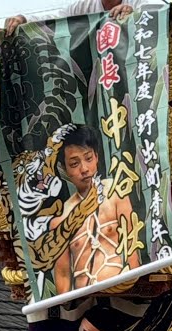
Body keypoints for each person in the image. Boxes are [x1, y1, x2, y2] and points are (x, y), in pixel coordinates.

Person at [47, 125, 140, 295]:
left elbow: (132, 247)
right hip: (85, 300)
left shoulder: (116, 193)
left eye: (88, 158)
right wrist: (67, 306)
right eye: (74, 164)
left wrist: (132, 290)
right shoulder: (61, 219)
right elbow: (63, 274)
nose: (84, 169)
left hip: (123, 294)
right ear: (64, 169)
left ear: (96, 157)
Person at [6, 0, 140, 32]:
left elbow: (151, 12)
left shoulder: (138, 3)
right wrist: (24, 19)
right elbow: (56, 18)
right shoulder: (84, 6)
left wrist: (133, 13)